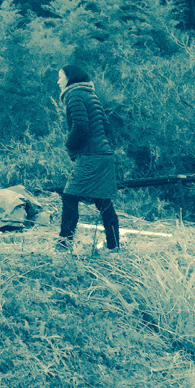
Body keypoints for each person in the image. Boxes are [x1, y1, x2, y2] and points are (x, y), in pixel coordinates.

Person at [56, 64, 121, 252]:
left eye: (60, 77)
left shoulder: (74, 94)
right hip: (103, 154)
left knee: (69, 196)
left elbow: (81, 125)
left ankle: (64, 243)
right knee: (103, 201)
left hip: (91, 156)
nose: (58, 81)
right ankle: (114, 246)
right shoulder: (90, 94)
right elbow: (106, 127)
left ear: (70, 78)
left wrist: (70, 145)